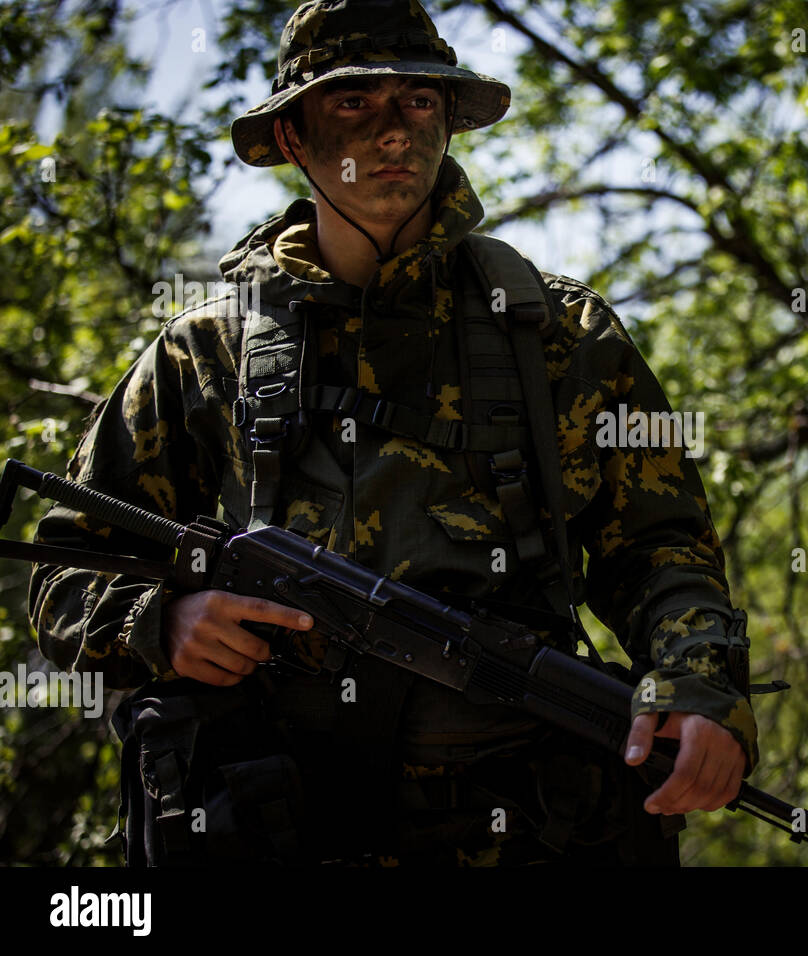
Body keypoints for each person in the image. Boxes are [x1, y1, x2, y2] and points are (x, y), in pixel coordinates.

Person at [27, 0, 757, 866]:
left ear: (449, 122)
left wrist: (701, 686)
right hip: (279, 821)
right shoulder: (204, 352)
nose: (393, 132)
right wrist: (166, 619)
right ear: (293, 137)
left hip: (516, 823)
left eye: (418, 101)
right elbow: (66, 572)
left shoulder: (558, 333)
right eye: (352, 103)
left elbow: (663, 550)